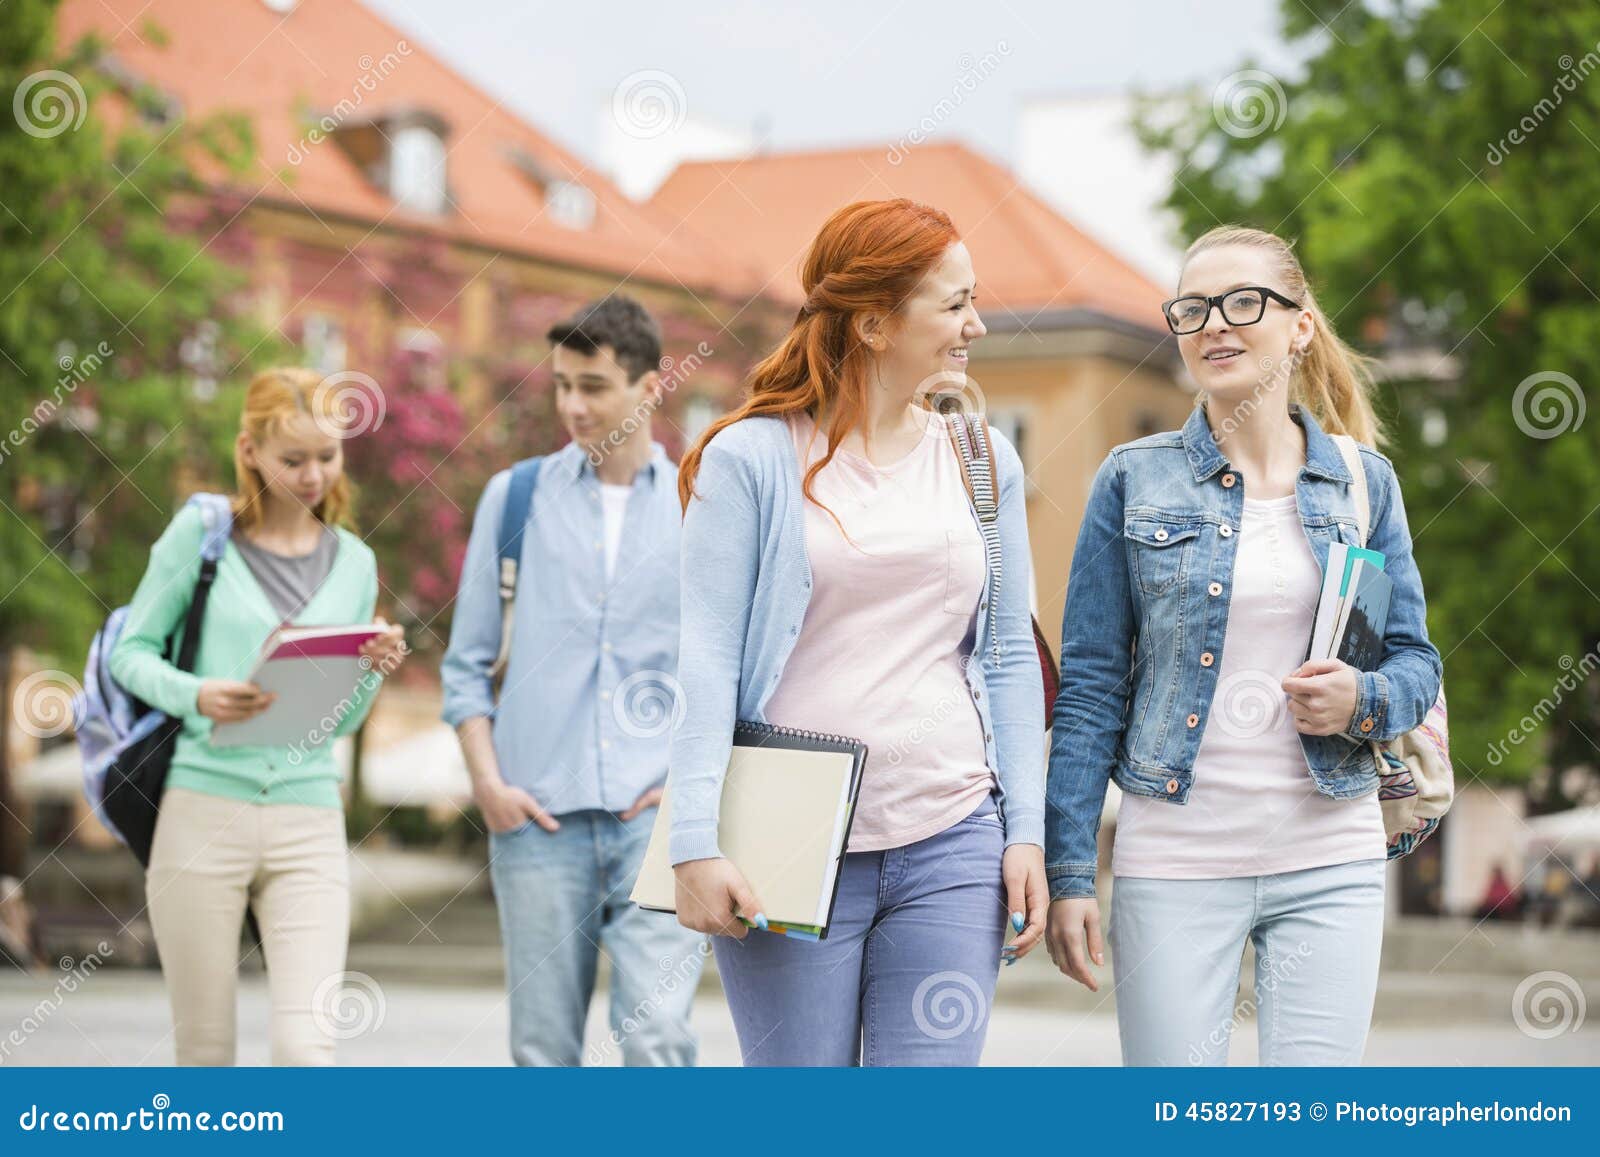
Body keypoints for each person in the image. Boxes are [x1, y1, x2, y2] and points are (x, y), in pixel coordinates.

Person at [1044, 225, 1443, 1066]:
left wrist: (1362, 699)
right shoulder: (1130, 477)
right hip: (1175, 857)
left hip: (1330, 853)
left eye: (1243, 302)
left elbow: (1415, 664)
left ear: (1300, 325)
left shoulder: (1364, 482)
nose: (1215, 324)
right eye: (1193, 309)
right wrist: (1071, 872)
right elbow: (1088, 689)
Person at [667, 198, 1047, 1066]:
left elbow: (1008, 656)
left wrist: (1024, 827)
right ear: (875, 321)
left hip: (953, 832)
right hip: (787, 843)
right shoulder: (752, 459)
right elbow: (707, 657)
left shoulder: (983, 458)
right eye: (953, 304)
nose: (976, 324)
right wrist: (694, 840)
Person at [111, 367, 407, 1065]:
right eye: (293, 459)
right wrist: (199, 693)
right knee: (206, 1053)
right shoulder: (202, 537)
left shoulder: (355, 562)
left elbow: (337, 725)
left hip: (308, 819)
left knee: (307, 1051)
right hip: (201, 812)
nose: (313, 476)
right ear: (249, 451)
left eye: (327, 457)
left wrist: (368, 673)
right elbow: (131, 653)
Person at [441, 295, 705, 1066]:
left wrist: (693, 786)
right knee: (542, 1053)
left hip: (656, 819)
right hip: (536, 820)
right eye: (561, 384)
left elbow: (737, 669)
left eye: (592, 386)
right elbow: (466, 665)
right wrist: (488, 784)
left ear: (650, 387)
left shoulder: (703, 503)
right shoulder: (514, 496)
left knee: (657, 1039)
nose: (572, 405)